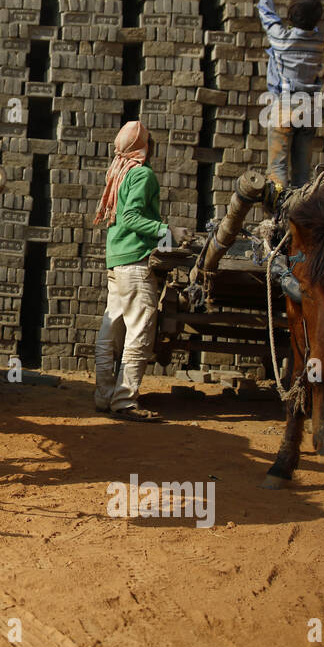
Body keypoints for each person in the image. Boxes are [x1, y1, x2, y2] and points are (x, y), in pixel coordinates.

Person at [92, 121, 189, 422]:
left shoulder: (118, 173)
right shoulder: (142, 174)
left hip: (117, 260)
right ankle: (124, 402)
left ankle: (104, 395)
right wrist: (166, 229)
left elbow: (119, 218)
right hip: (135, 263)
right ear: (143, 147)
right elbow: (132, 217)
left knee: (112, 330)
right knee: (139, 330)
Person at [257, 0, 321, 303]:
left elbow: (266, 12)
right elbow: (312, 17)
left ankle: (279, 226)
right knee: (303, 172)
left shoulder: (282, 38)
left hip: (284, 107)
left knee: (277, 170)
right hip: (310, 108)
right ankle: (304, 223)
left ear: (292, 19)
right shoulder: (318, 39)